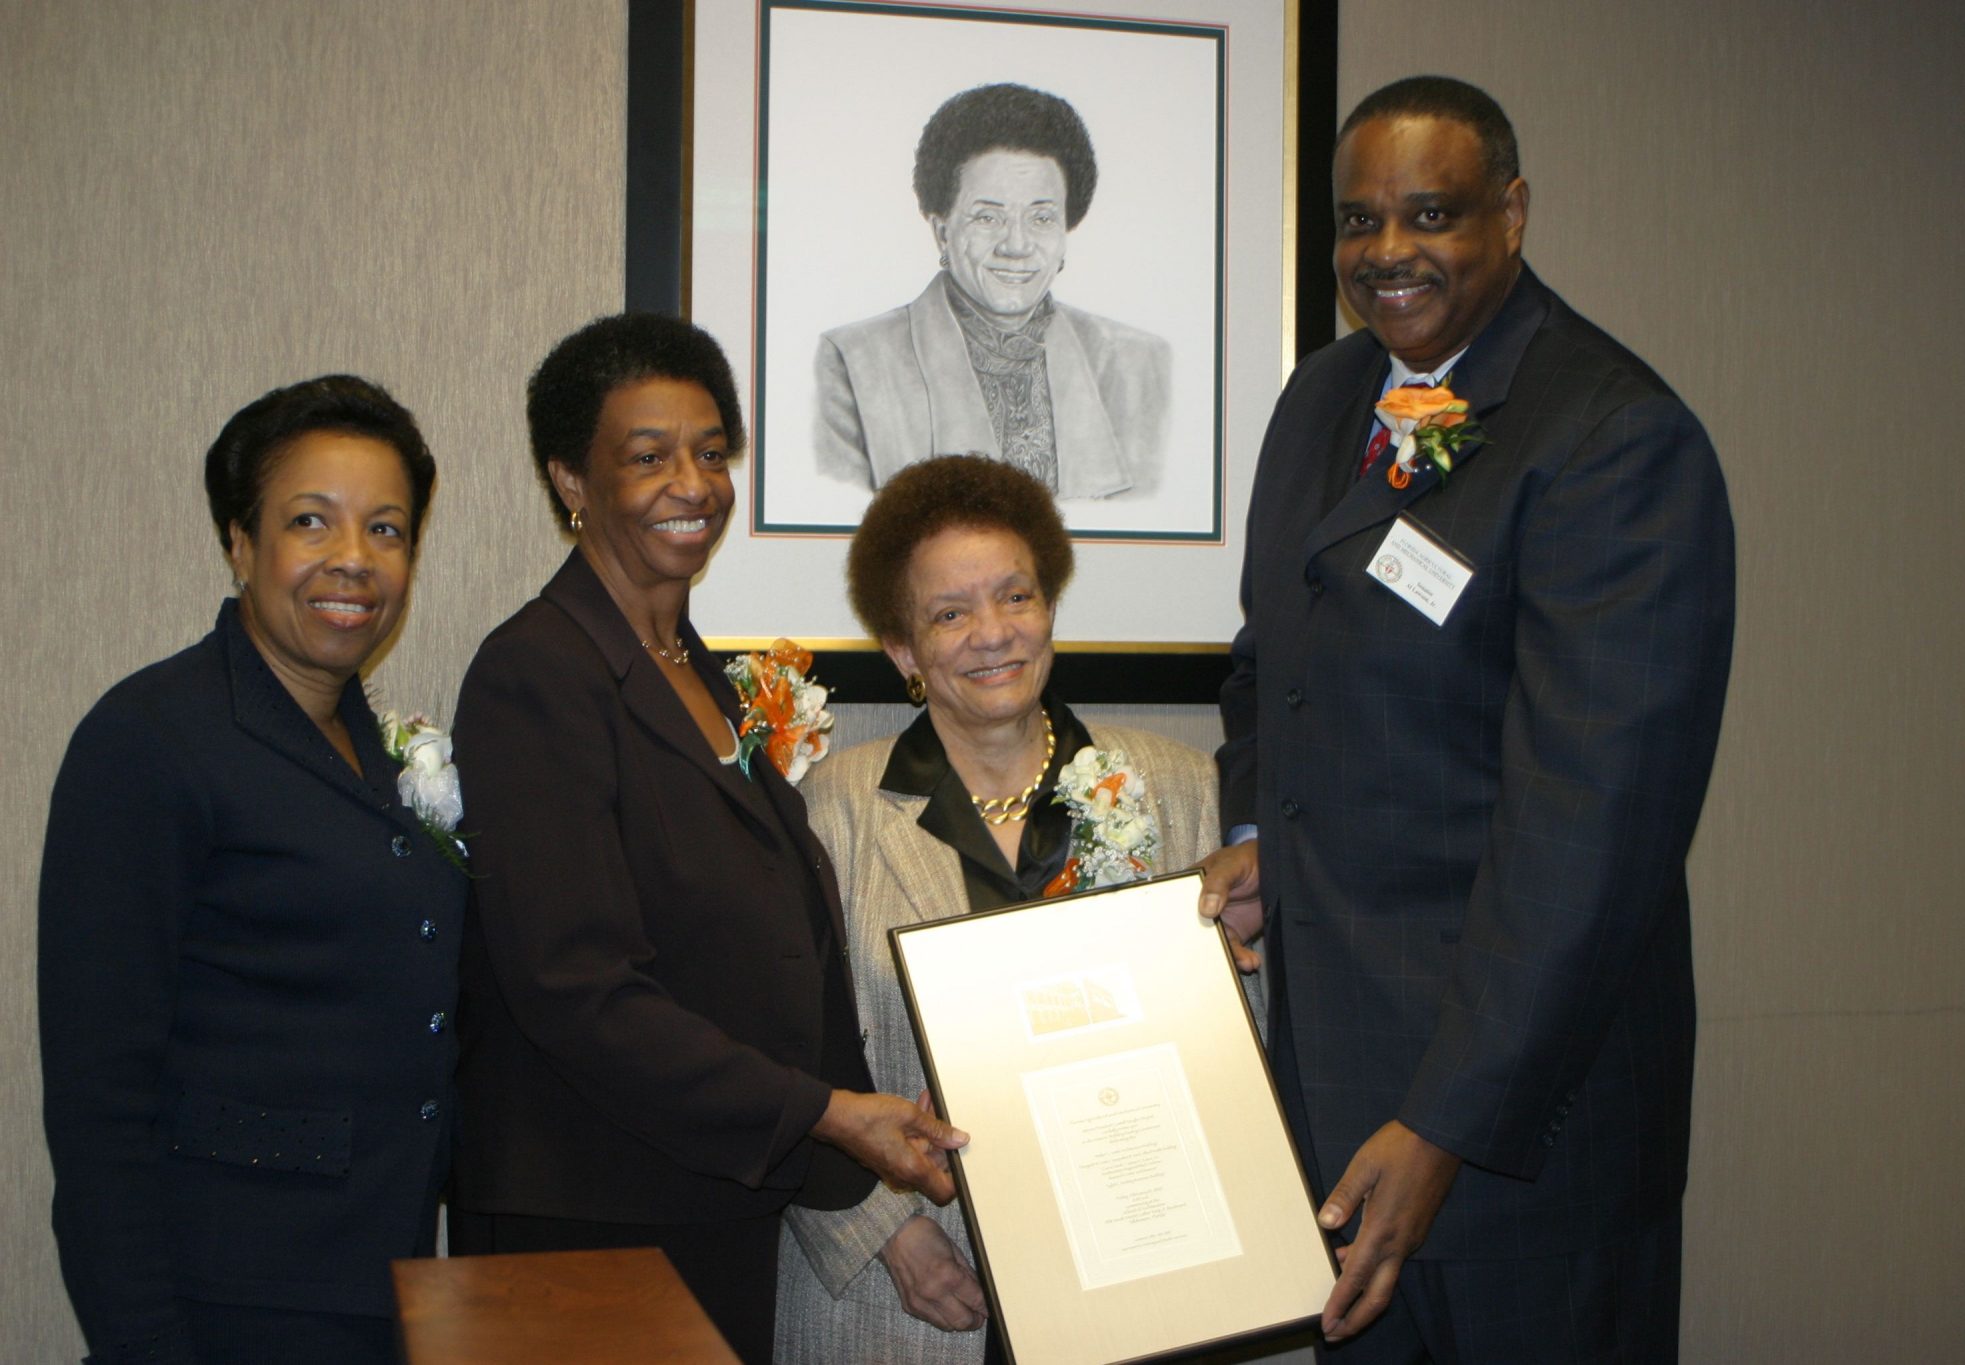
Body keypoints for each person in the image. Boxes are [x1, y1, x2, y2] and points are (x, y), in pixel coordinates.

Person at [1202, 77, 1736, 1363]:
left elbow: (1591, 839)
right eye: (1358, 221)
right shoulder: (1321, 398)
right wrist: (1263, 832)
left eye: (1429, 214)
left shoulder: (1612, 438)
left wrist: (1443, 1124)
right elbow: (1270, 661)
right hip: (1340, 1101)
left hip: (1519, 1144)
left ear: (1511, 212)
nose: (1386, 251)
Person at [447, 313, 966, 1364]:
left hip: (708, 1200)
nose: (692, 483)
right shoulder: (535, 672)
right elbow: (576, 987)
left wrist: (853, 1121)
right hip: (590, 1215)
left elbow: (763, 942)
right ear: (571, 480)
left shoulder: (698, 670)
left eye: (712, 452)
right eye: (648, 457)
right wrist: (825, 1112)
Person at [774, 455, 1237, 1364]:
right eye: (950, 614)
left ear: (1049, 604)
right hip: (907, 1296)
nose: (993, 633)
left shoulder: (1179, 787)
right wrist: (881, 1231)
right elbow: (780, 1049)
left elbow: (1234, 1048)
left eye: (1015, 596)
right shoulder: (834, 807)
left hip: (1139, 1273)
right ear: (904, 651)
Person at [38, 376, 464, 1364]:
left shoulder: (372, 746)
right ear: (240, 543)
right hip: (228, 1299)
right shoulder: (150, 739)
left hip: (376, 1280)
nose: (353, 557)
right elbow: (100, 1107)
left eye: (387, 529)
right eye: (311, 521)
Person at [816, 82, 1172, 500]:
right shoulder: (852, 362)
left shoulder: (1139, 364)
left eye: (1041, 218)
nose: (1016, 246)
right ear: (942, 231)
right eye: (988, 218)